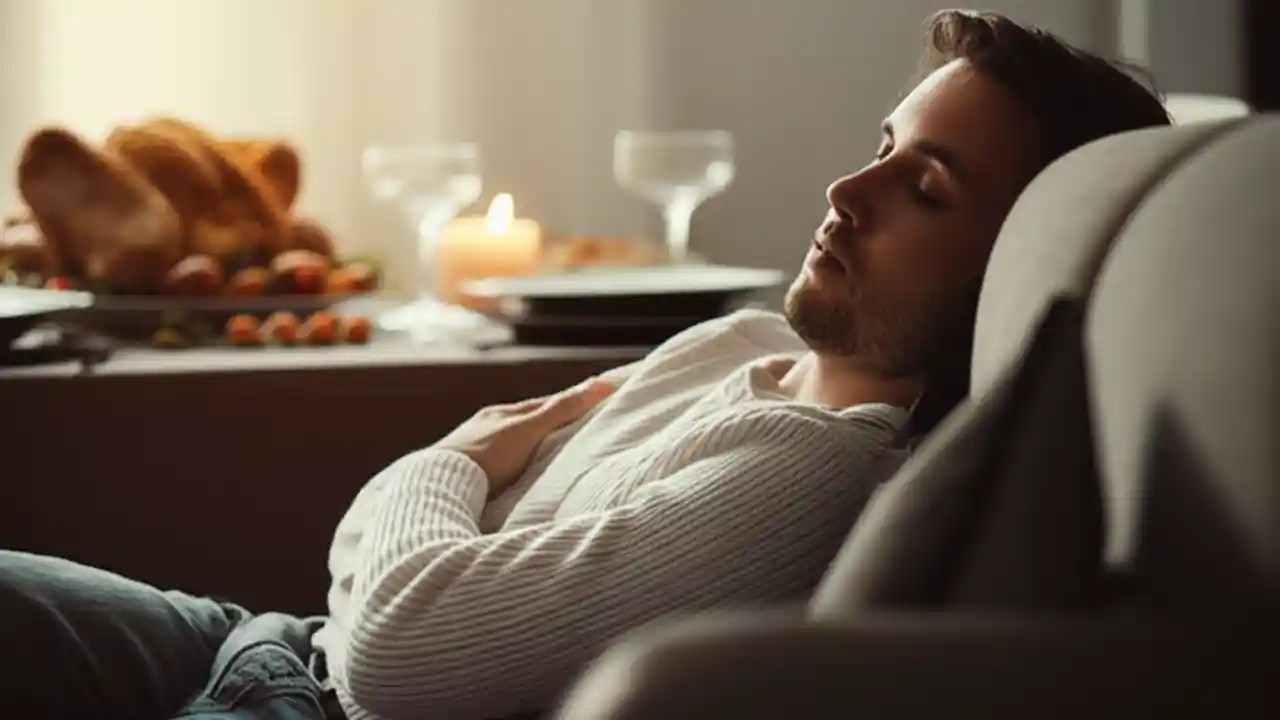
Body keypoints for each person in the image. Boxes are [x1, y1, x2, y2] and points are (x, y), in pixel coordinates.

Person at [0, 10, 1171, 720]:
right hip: (275, 637)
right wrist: (426, 536)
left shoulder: (806, 480)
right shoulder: (740, 342)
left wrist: (454, 456)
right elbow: (395, 599)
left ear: (1006, 265)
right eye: (878, 148)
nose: (842, 192)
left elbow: (404, 647)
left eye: (921, 190)